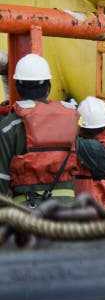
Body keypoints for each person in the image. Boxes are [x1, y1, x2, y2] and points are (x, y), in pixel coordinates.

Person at [0, 54, 79, 207]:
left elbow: (1, 177)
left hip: (28, 210)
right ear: (48, 87)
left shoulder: (10, 125)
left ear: (17, 87)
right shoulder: (70, 119)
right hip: (69, 210)